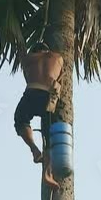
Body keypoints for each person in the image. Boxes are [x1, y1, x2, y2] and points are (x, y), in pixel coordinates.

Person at [14, 42, 64, 189]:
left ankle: (34, 149)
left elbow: (28, 78)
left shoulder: (28, 59)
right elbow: (61, 80)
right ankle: (47, 175)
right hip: (48, 96)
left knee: (21, 121)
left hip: (31, 92)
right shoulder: (58, 58)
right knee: (50, 137)